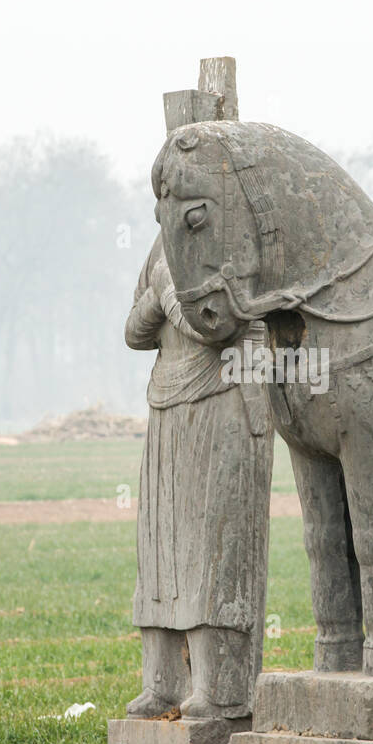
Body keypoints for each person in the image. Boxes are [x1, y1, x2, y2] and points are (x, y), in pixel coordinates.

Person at [123, 237, 273, 719]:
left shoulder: (234, 238)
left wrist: (168, 295)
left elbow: (213, 326)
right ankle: (162, 685)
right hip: (167, 405)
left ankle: (220, 689)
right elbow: (134, 332)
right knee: (160, 549)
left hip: (224, 396)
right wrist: (161, 293)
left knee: (212, 549)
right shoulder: (159, 251)